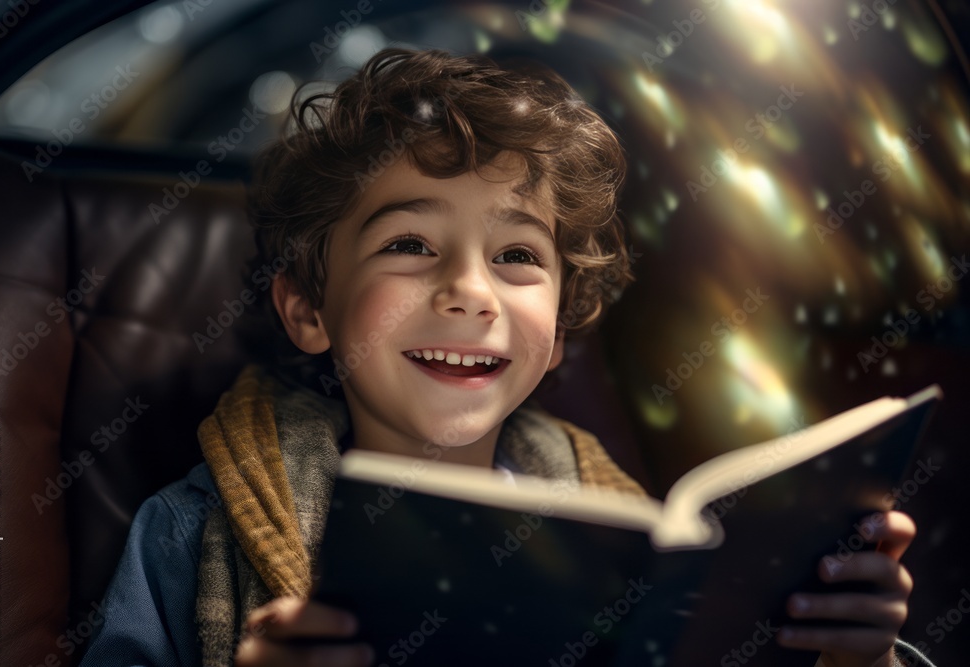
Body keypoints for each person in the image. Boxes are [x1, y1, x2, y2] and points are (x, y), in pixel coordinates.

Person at [80, 48, 935, 667]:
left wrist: (850, 654)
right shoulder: (188, 533)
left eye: (517, 256)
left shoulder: (617, 540)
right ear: (308, 309)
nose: (469, 291)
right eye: (410, 244)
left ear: (558, 331)